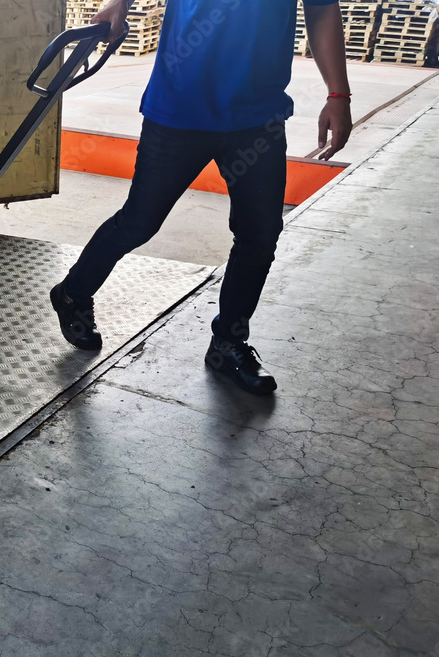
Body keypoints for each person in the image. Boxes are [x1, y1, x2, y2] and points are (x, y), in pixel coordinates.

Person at [51, 0, 352, 395]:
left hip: (256, 115)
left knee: (259, 236)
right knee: (139, 221)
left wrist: (338, 95)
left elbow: (321, 10)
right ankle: (73, 293)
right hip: (178, 108)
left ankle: (229, 343)